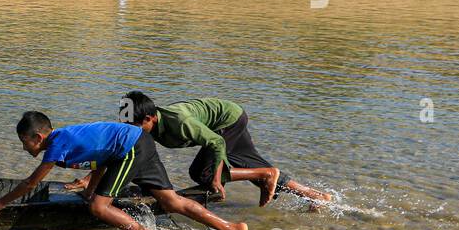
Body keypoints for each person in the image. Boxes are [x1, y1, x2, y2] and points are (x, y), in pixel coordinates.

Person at [0, 111, 251, 230]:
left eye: (24, 142)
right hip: (136, 143)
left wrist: (0, 203)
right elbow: (100, 158)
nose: (23, 148)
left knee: (99, 208)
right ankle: (232, 229)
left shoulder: (56, 146)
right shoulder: (63, 138)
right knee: (170, 202)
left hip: (131, 149)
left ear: (38, 138)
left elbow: (30, 183)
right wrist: (90, 187)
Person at [117, 92, 331, 206]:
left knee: (202, 173)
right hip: (228, 116)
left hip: (227, 122)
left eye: (134, 127)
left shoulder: (180, 123)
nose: (131, 132)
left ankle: (266, 174)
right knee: (248, 165)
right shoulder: (141, 126)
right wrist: (91, 178)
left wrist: (217, 180)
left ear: (150, 118)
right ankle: (314, 196)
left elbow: (216, 143)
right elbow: (126, 151)